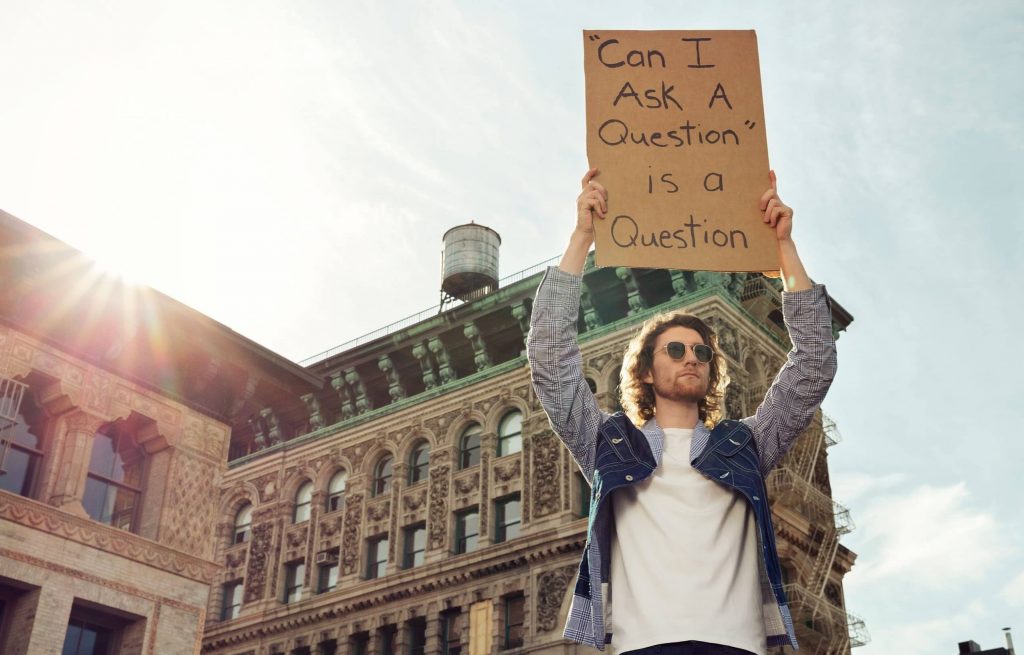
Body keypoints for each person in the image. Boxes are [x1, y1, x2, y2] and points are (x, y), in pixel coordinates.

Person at [526, 168, 837, 655]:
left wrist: (784, 250)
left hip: (738, 646)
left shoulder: (746, 446)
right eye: (675, 350)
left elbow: (814, 365)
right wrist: (582, 236)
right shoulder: (609, 444)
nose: (691, 357)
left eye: (702, 352)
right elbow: (550, 360)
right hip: (643, 646)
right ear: (646, 371)